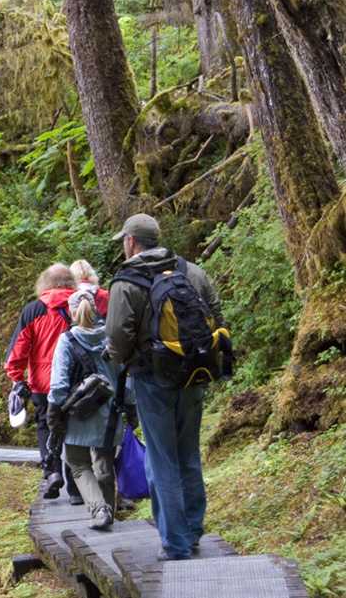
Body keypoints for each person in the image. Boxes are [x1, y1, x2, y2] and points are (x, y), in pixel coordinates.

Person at [105, 213, 226, 560]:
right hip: (194, 376)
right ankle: (192, 530)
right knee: (188, 454)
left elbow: (117, 339)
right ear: (156, 239)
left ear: (130, 242)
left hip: (152, 380)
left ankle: (175, 544)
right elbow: (216, 316)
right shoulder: (191, 271)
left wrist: (124, 357)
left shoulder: (126, 281)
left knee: (161, 459)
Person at [47, 290, 132, 529]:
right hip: (110, 415)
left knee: (78, 464)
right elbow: (126, 375)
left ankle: (99, 511)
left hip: (77, 416)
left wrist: (54, 413)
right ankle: (109, 514)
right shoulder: (111, 337)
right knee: (104, 465)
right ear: (95, 310)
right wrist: (130, 406)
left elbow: (59, 384)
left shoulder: (67, 340)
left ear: (72, 313)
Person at [4, 263, 82, 502]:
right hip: (77, 380)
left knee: (45, 425)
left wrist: (17, 377)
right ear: (70, 281)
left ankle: (52, 472)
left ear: (44, 283)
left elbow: (17, 350)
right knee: (75, 429)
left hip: (43, 382)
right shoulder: (81, 304)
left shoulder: (33, 310)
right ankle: (77, 489)